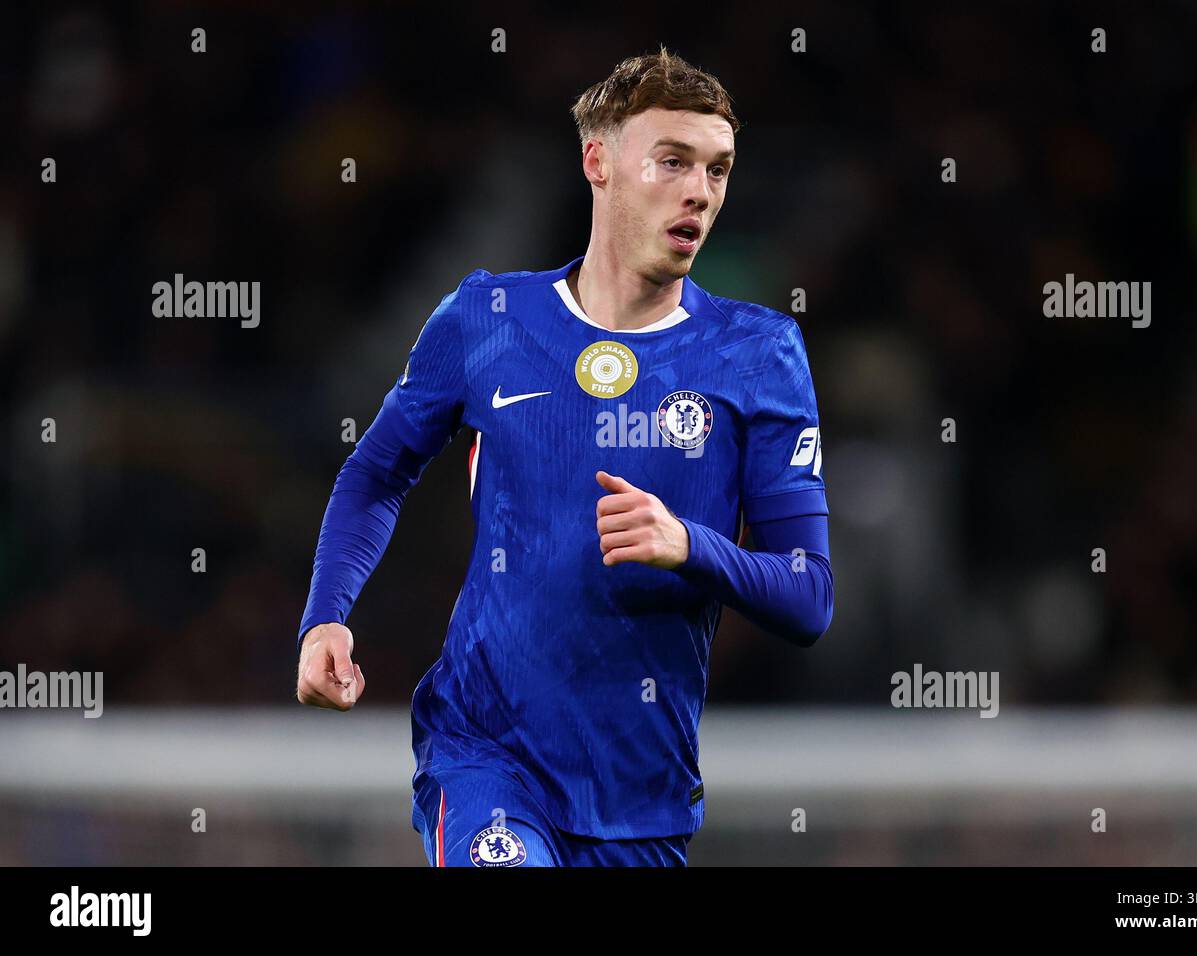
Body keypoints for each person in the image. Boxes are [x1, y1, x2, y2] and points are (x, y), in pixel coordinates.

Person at [296, 47, 833, 867]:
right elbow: (376, 472)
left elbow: (809, 596)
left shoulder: (758, 355)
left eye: (718, 170)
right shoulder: (488, 320)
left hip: (640, 798)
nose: (700, 191)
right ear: (599, 162)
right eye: (673, 162)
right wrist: (326, 615)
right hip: (484, 757)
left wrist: (691, 546)